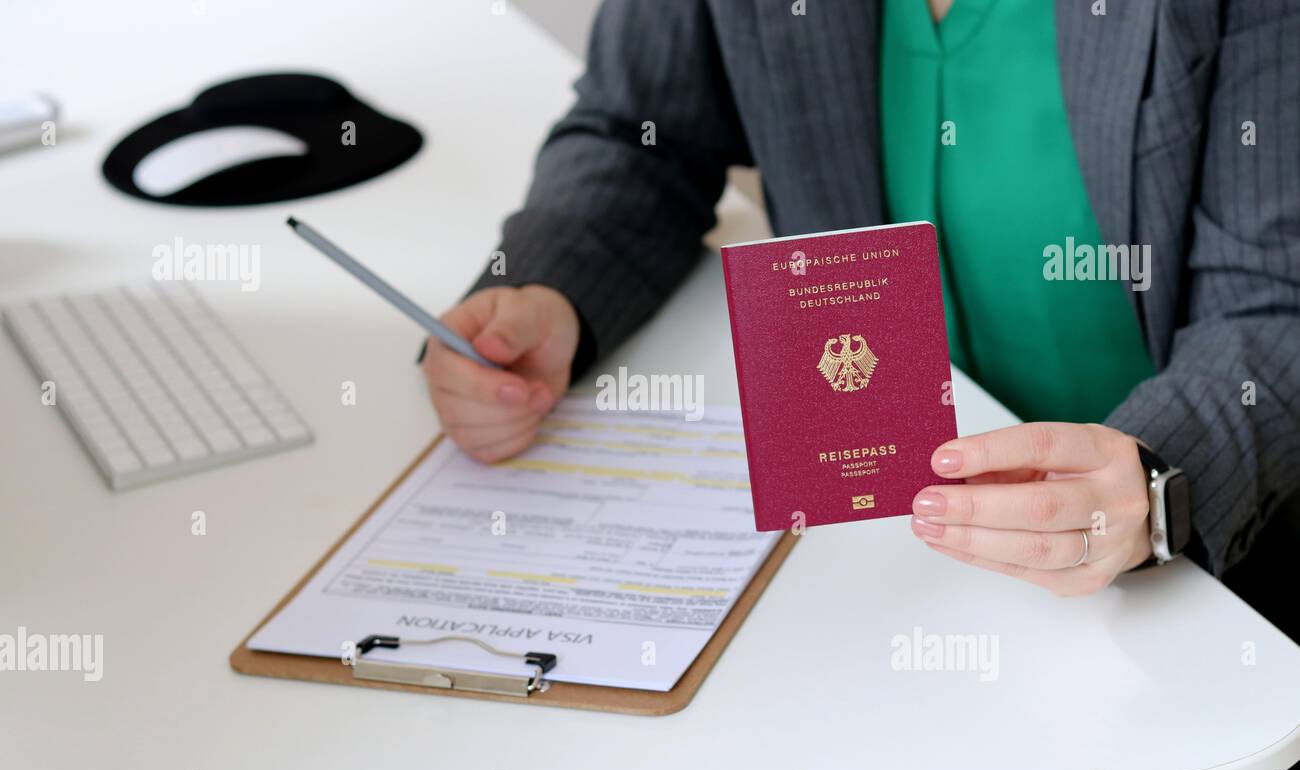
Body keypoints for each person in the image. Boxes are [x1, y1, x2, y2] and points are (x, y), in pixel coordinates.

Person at [420, 0, 1300, 605]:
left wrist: (1158, 480)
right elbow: (641, 133)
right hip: (875, 551)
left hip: (1165, 580)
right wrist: (547, 291)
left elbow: (1275, 301)